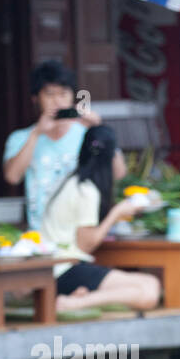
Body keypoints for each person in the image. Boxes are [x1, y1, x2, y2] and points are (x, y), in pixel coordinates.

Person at [41, 124, 161, 313]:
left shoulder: (71, 182)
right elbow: (84, 244)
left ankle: (80, 298)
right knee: (148, 292)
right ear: (112, 157)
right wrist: (115, 214)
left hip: (55, 268)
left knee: (150, 283)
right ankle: (72, 303)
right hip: (64, 269)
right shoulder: (86, 191)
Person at [2, 60, 102, 231]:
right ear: (35, 99)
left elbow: (118, 173)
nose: (57, 101)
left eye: (63, 94)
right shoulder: (21, 138)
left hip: (81, 232)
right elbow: (12, 177)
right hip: (40, 233)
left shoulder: (87, 133)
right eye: (49, 94)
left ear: (72, 97)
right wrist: (36, 134)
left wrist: (100, 131)